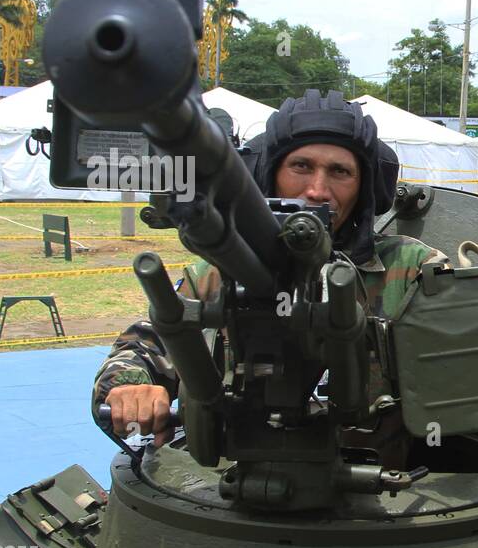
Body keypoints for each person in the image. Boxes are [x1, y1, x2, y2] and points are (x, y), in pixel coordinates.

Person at [93, 89, 447, 455]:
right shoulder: (220, 274)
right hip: (236, 480)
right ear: (270, 173)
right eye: (301, 166)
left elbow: (467, 354)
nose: (317, 191)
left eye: (340, 172)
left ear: (364, 187)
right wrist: (130, 387)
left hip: (384, 478)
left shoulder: (411, 269)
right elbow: (147, 343)